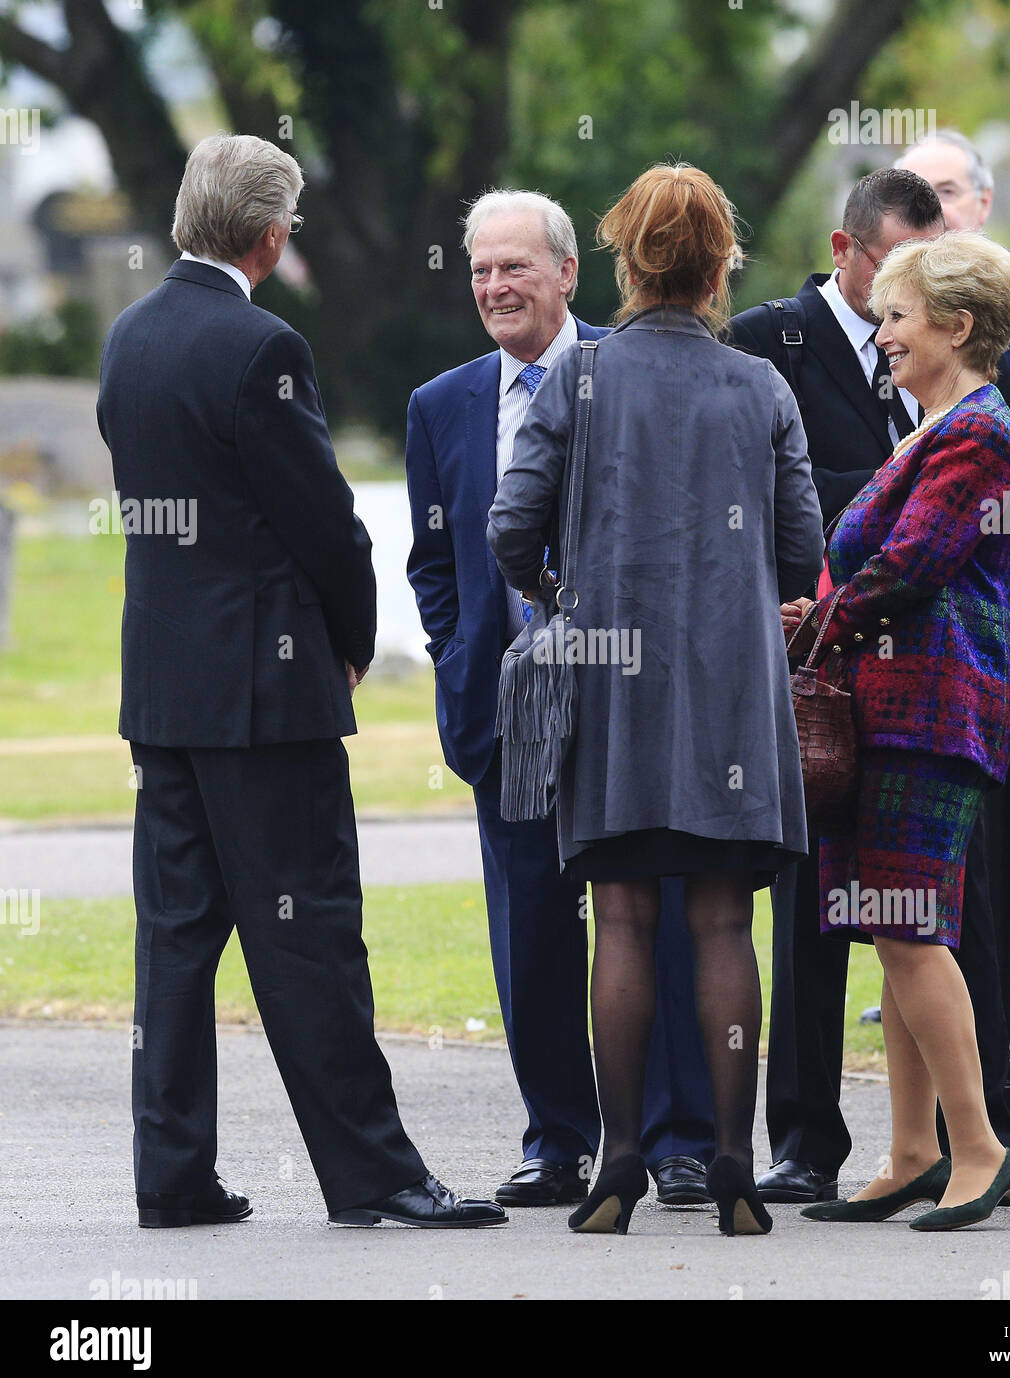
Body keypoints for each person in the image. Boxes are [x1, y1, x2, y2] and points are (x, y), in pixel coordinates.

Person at [97, 133, 505, 1231]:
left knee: (175, 940)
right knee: (311, 931)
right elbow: (324, 524)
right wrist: (353, 639)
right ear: (273, 235)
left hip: (168, 690)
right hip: (264, 693)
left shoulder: (129, 337)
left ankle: (171, 1171)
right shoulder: (261, 344)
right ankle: (374, 1173)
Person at [488, 163, 824, 1236]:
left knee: (622, 924)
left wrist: (564, 591)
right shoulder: (761, 387)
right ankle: (731, 1162)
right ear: (722, 263)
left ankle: (618, 1161)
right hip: (731, 694)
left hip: (612, 690)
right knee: (725, 924)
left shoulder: (576, 379)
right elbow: (804, 553)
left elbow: (508, 529)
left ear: (624, 261)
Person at [405, 189, 716, 1211]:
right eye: (482, 271)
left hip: (628, 705)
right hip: (508, 716)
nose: (496, 287)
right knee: (532, 930)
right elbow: (434, 561)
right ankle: (556, 1138)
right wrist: (458, 658)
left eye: (516, 269)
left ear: (568, 273)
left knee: (656, 916)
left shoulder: (626, 377)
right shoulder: (440, 404)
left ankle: (674, 1138)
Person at [728, 169, 1010, 1207]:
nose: (881, 335)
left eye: (897, 318)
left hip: (929, 712)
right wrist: (816, 615)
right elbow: (879, 572)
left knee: (908, 930)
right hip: (888, 708)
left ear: (954, 325)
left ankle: (975, 1146)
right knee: (892, 927)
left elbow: (910, 569)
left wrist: (817, 631)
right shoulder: (929, 429)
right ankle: (907, 1151)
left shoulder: (977, 430)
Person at [897, 130, 1010, 497]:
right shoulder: (876, 297)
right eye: (916, 196)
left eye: (947, 191)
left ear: (984, 202)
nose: (932, 207)